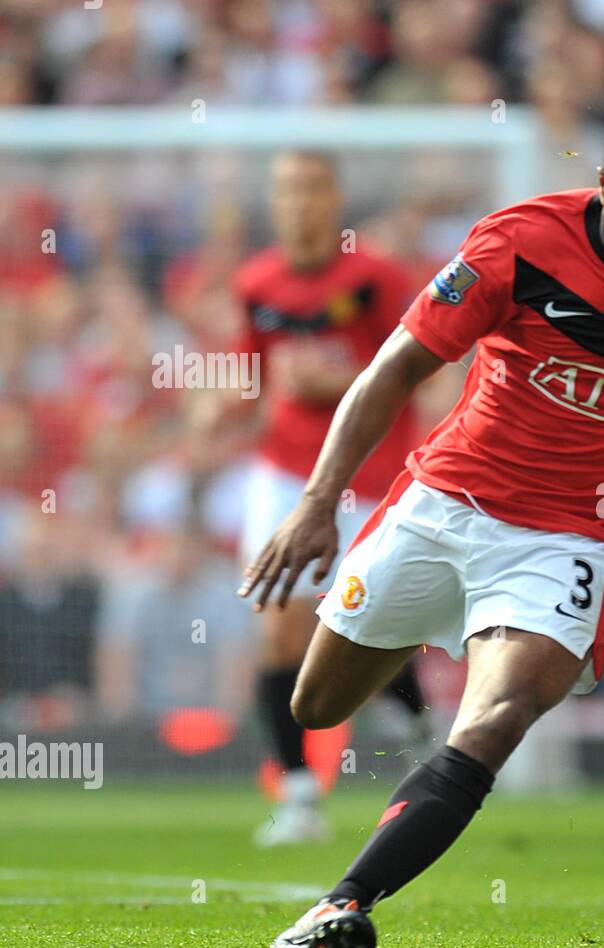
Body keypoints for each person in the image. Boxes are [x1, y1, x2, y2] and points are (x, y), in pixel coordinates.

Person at [240, 103, 604, 948]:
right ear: (600, 184)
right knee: (314, 703)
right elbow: (397, 366)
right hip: (446, 501)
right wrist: (319, 500)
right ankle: (422, 636)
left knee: (498, 716)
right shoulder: (518, 244)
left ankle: (341, 902)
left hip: (567, 537)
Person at [202, 150, 432, 845]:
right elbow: (251, 374)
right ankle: (299, 793)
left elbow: (413, 367)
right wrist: (217, 407)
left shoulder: (379, 279)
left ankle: (418, 726)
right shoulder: (257, 282)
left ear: (334, 198)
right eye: (286, 191)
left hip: (370, 472)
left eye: (310, 189)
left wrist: (337, 383)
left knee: (366, 627)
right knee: (279, 627)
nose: (298, 203)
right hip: (283, 476)